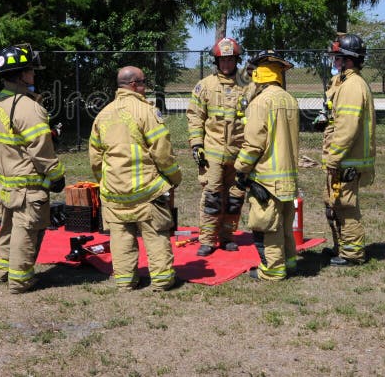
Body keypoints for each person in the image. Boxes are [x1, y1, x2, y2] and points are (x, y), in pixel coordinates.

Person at [88, 66, 182, 291]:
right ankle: (162, 280)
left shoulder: (103, 115)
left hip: (114, 191)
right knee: (155, 232)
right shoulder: (146, 111)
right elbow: (162, 151)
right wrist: (174, 177)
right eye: (143, 82)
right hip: (146, 190)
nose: (145, 87)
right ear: (133, 85)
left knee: (120, 236)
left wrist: (105, 181)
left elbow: (95, 157)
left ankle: (125, 280)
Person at [0, 43, 66, 294]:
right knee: (27, 231)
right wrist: (56, 175)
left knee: (8, 228)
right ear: (20, 74)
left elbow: (16, 141)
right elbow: (40, 149)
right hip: (28, 186)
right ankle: (20, 280)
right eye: (30, 70)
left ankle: (3, 271)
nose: (34, 74)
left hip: (7, 183)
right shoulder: (28, 107)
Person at [234, 50, 300, 281]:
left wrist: (240, 168)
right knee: (284, 223)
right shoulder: (289, 99)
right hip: (288, 176)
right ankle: (290, 262)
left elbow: (253, 144)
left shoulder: (261, 102)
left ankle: (272, 270)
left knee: (269, 226)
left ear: (259, 76)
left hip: (266, 177)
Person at [187, 37, 247, 256]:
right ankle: (207, 240)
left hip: (239, 154)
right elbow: (195, 117)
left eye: (230, 60)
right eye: (222, 61)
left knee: (235, 197)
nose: (226, 65)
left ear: (237, 60)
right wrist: (196, 145)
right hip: (212, 153)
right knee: (212, 197)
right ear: (216, 62)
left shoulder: (248, 85)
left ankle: (227, 236)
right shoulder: (205, 86)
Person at [321, 34, 376, 266]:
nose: (334, 62)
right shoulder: (345, 83)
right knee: (334, 203)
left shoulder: (353, 86)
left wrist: (333, 158)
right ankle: (341, 248)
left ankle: (352, 255)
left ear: (349, 60)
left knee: (346, 205)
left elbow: (347, 128)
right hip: (343, 158)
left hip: (347, 160)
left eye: (338, 58)